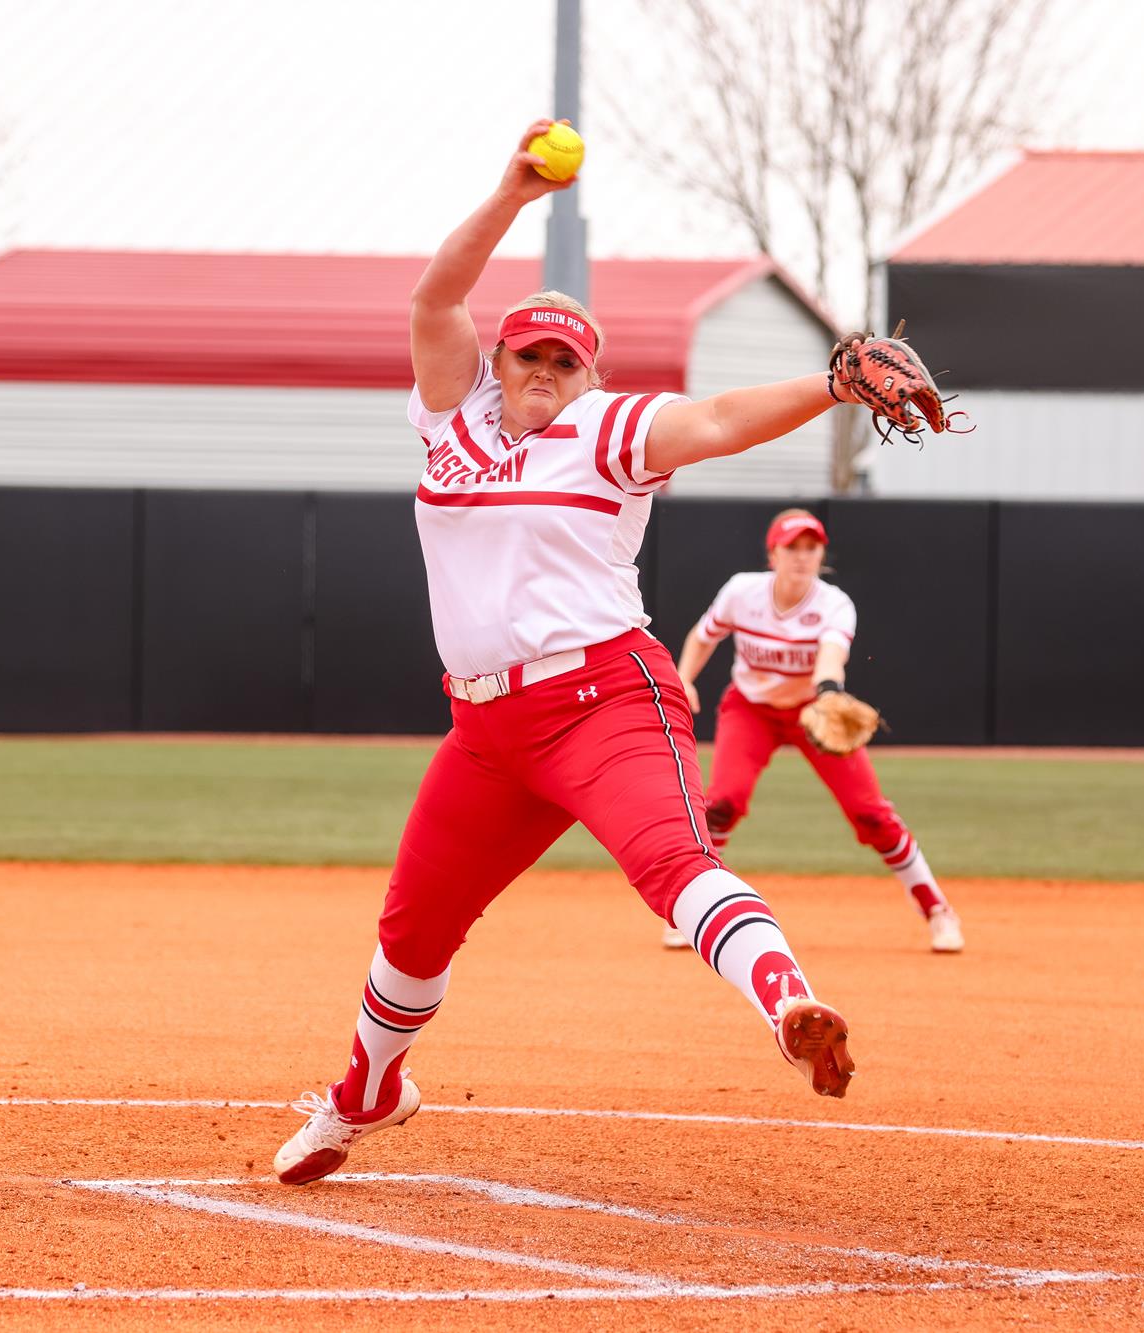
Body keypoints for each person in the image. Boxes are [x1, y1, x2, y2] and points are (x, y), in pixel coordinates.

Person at [273, 120, 867, 1187]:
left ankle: (789, 1004)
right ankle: (364, 1095)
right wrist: (511, 190)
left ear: (588, 372)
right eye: (527, 352)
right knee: (414, 927)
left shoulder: (608, 431)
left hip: (603, 699)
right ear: (496, 361)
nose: (544, 367)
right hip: (485, 728)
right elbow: (431, 302)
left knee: (671, 865)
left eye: (564, 357)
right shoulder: (450, 422)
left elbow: (726, 416)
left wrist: (831, 382)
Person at [662, 509, 965, 954]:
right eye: (792, 548)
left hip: (813, 711)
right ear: (773, 554)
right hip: (751, 709)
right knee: (721, 804)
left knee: (870, 814)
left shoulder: (833, 603)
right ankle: (696, 913)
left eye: (811, 548)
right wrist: (685, 677)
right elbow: (705, 635)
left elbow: (832, 655)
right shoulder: (741, 591)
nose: (802, 557)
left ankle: (937, 910)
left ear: (822, 554)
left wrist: (827, 692)